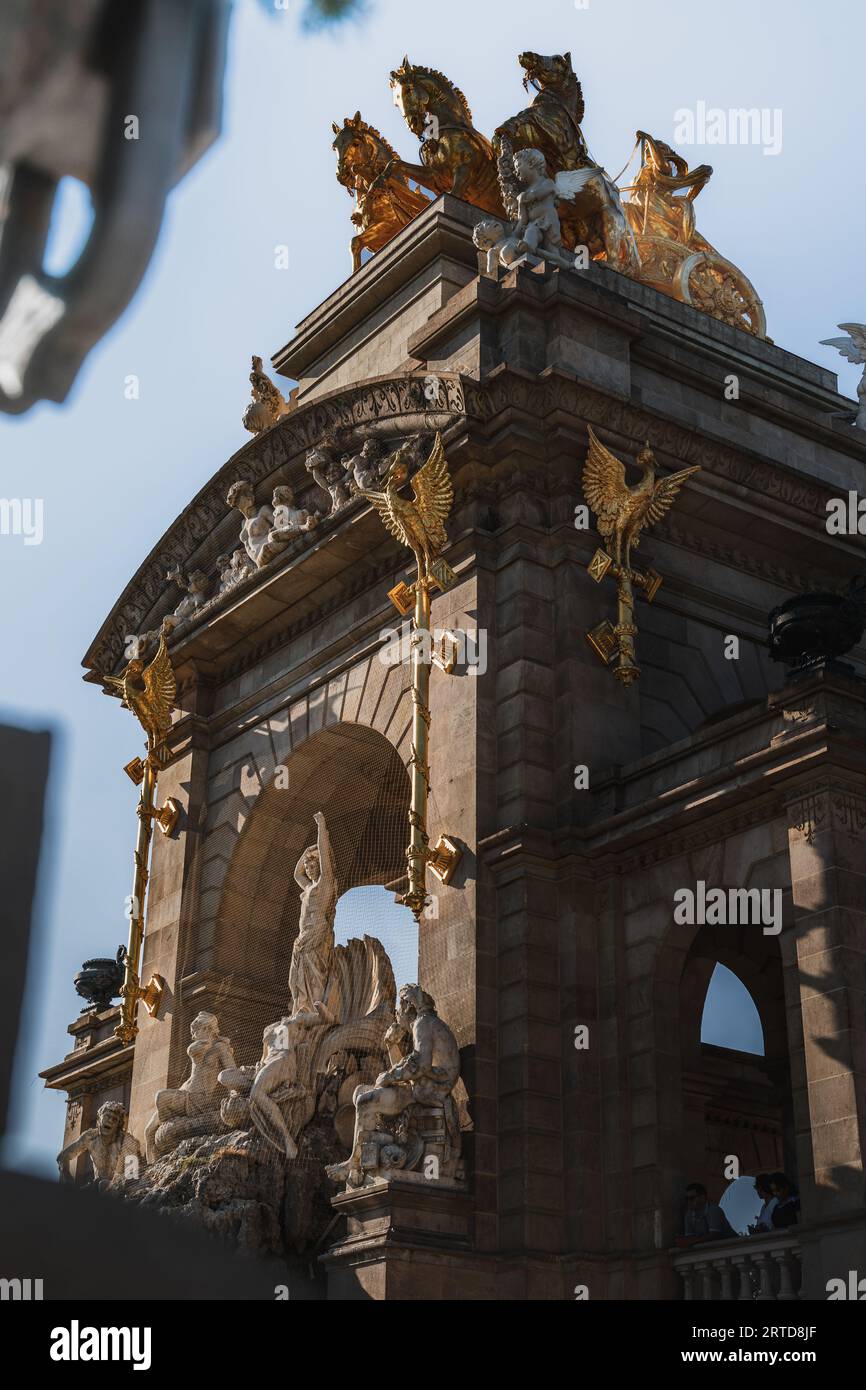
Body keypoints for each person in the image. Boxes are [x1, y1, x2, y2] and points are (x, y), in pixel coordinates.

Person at [678, 1181, 737, 1246]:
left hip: (732, 1246)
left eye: (692, 1198)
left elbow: (714, 1235)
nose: (688, 1201)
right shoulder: (688, 1215)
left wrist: (691, 1241)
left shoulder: (714, 1210)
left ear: (702, 1197)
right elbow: (689, 1237)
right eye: (687, 1199)